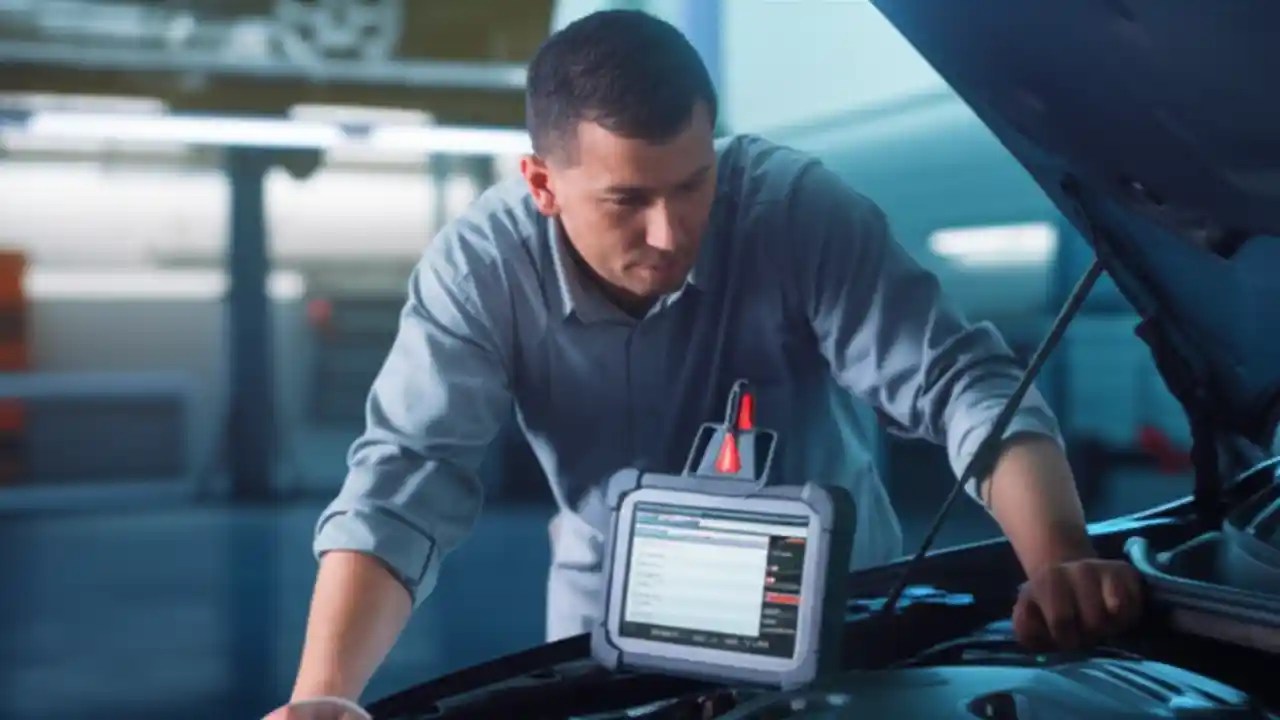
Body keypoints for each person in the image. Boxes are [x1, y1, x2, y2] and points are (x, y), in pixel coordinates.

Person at [273, 9, 1144, 713]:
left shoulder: (795, 210)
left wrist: (1059, 556)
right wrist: (321, 697)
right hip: (604, 636)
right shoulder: (481, 270)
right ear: (542, 184)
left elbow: (961, 384)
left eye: (693, 183)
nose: (669, 232)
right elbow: (405, 483)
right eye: (627, 200)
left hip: (839, 618)